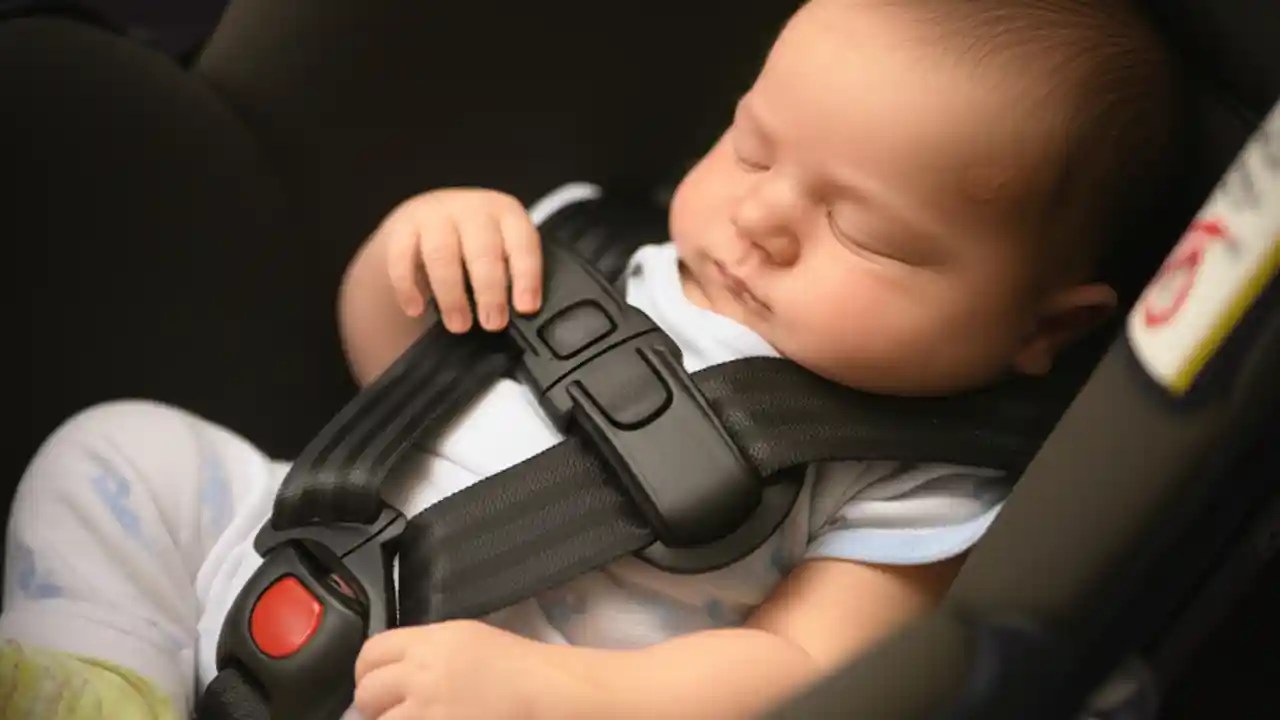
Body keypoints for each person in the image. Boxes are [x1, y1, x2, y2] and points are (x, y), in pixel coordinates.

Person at [1, 1, 1182, 717]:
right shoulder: (604, 250)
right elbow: (388, 374)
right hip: (288, 539)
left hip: (515, 688)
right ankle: (102, 691)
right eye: (753, 146)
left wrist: (560, 701)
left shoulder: (914, 480)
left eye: (863, 230)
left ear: (1043, 327)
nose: (762, 219)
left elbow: (806, 671)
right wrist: (416, 247)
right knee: (117, 455)